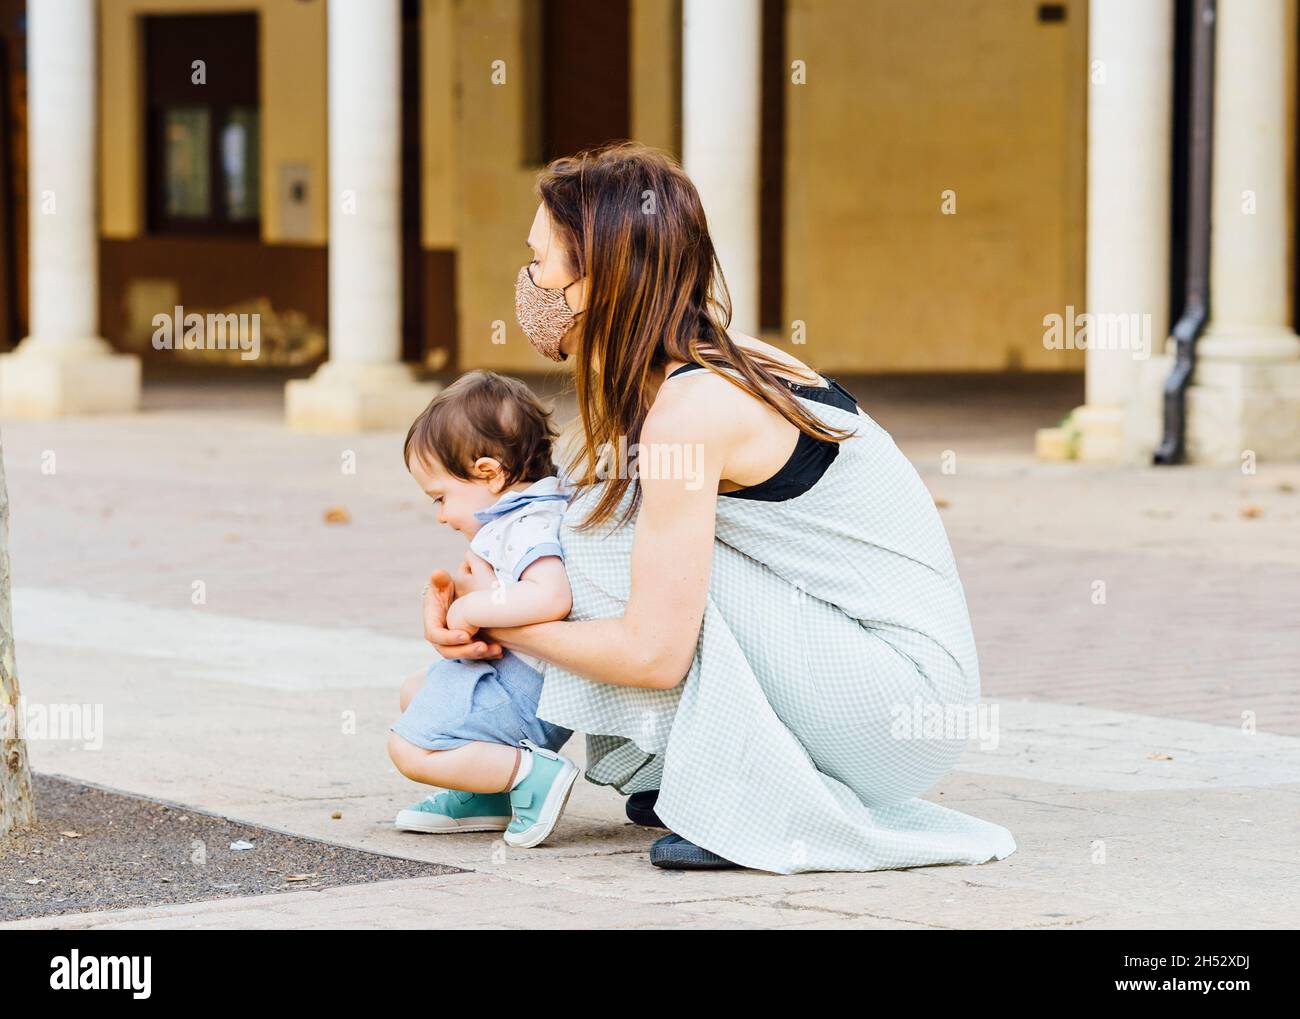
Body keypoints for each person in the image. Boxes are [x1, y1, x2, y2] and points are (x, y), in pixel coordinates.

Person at [427, 141, 1018, 873]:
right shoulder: (714, 360)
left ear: (598, 282)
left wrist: (497, 618)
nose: (528, 282)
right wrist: (485, 596)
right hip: (892, 686)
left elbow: (653, 650)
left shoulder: (693, 407)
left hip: (898, 706)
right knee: (595, 520)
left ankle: (746, 800)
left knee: (595, 537)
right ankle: (688, 773)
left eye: (541, 261)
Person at [388, 370, 577, 849]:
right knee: (416, 689)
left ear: (489, 473)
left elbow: (551, 596)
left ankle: (531, 773)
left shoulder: (528, 524)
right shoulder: (512, 518)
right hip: (512, 678)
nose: (440, 515)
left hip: (531, 692)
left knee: (409, 748)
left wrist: (473, 606)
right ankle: (487, 795)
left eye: (441, 497)